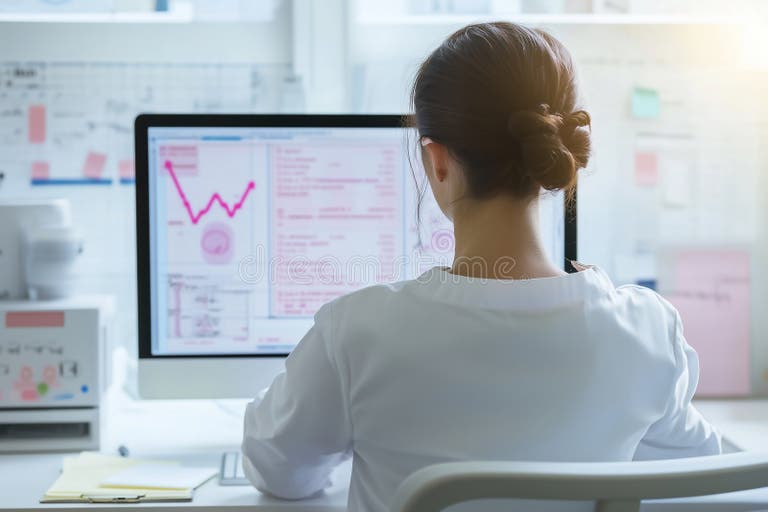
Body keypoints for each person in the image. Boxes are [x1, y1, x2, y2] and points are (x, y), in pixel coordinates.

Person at [241, 21, 721, 512]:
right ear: (556, 150)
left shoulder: (356, 334)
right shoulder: (646, 330)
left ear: (439, 161)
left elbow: (278, 472)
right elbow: (705, 468)